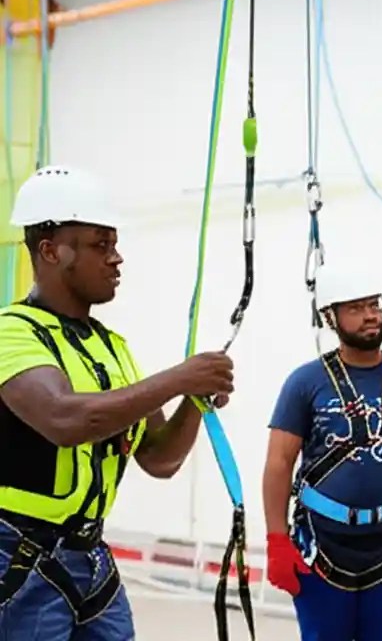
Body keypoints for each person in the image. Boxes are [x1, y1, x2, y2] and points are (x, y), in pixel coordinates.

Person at [0, 165, 236, 638]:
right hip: (17, 552)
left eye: (114, 245)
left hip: (90, 557)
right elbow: (64, 419)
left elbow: (158, 458)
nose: (117, 259)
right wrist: (176, 378)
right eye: (99, 246)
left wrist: (193, 399)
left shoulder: (113, 349)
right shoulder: (12, 332)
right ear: (50, 251)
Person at [261, 261, 382, 641]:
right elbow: (279, 462)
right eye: (356, 308)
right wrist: (276, 540)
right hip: (321, 551)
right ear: (331, 318)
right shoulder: (305, 383)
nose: (370, 316)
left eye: (374, 305)